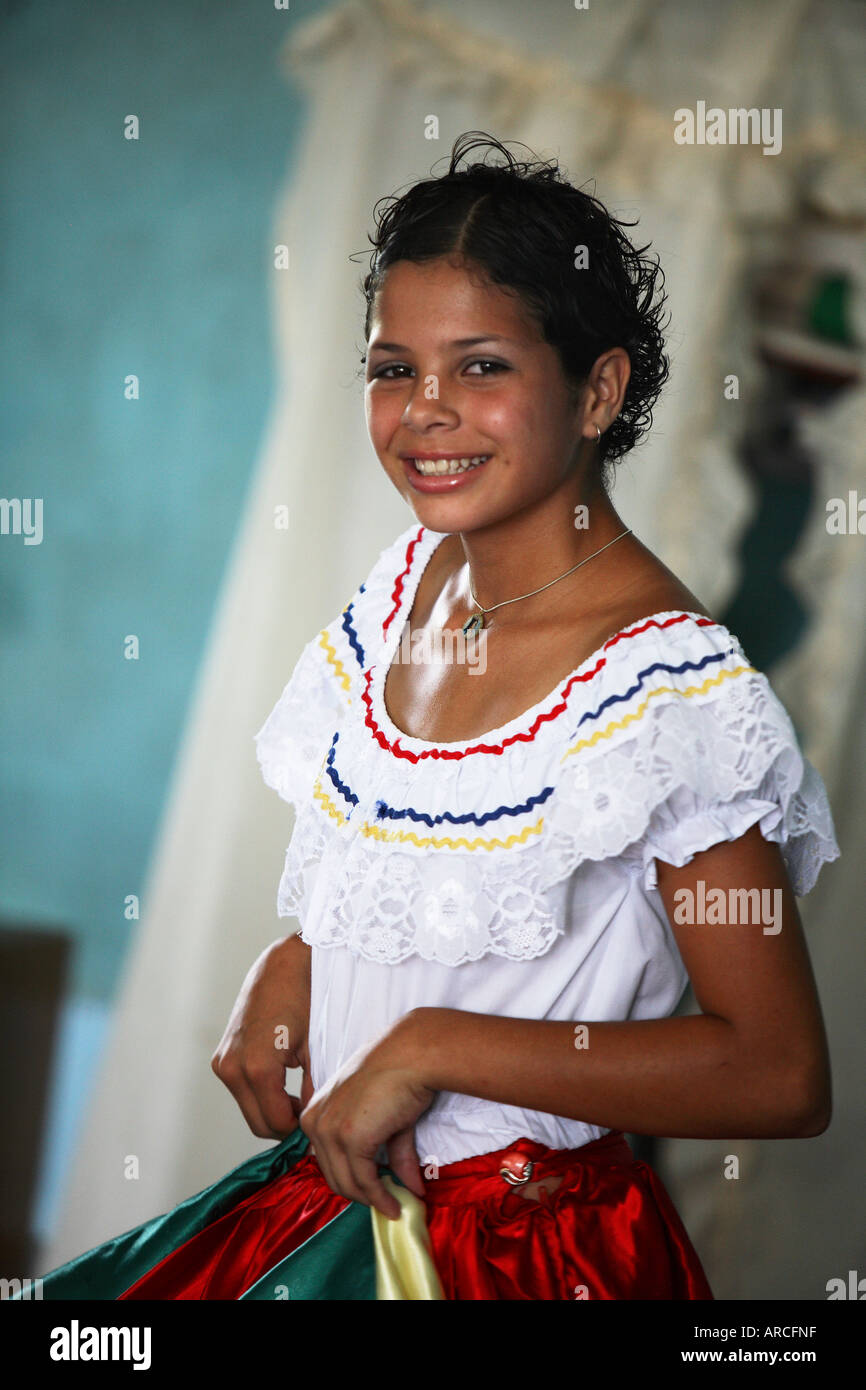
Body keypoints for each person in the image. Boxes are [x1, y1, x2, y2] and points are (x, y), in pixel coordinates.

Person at [35, 132, 839, 1301]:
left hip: (517, 1255)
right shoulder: (407, 587)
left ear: (598, 389)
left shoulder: (668, 698)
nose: (424, 412)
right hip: (341, 1210)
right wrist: (297, 954)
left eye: (479, 368)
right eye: (390, 368)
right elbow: (436, 884)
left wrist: (431, 1044)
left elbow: (776, 1073)